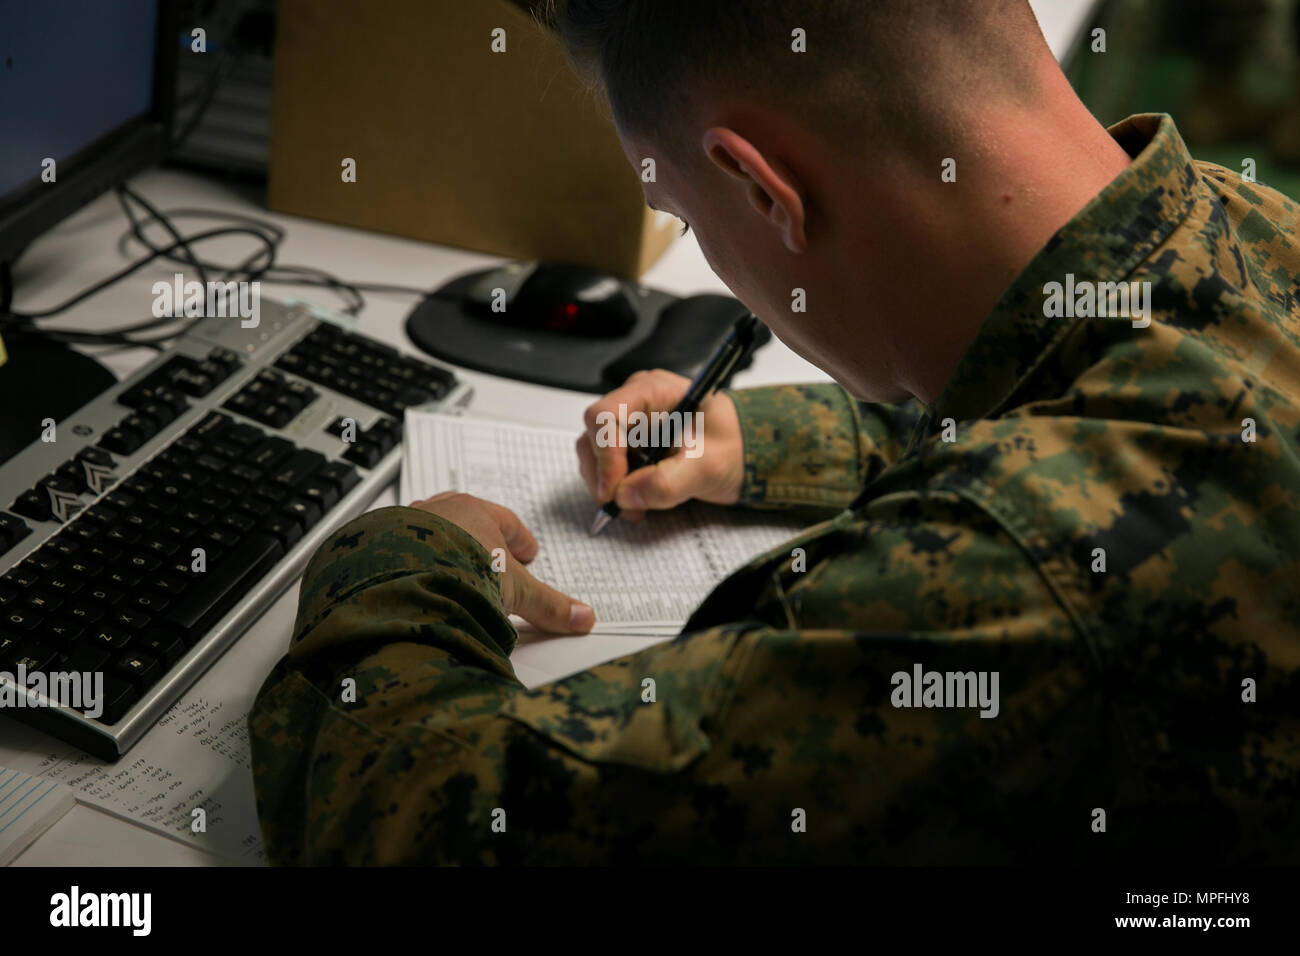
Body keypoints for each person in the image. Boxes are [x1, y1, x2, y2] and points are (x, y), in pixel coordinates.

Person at [248, 0, 1300, 864]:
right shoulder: (1246, 232)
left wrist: (408, 555)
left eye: (690, 216)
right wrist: (782, 443)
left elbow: (423, 823)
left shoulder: (1013, 578)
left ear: (760, 185)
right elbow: (1103, 404)